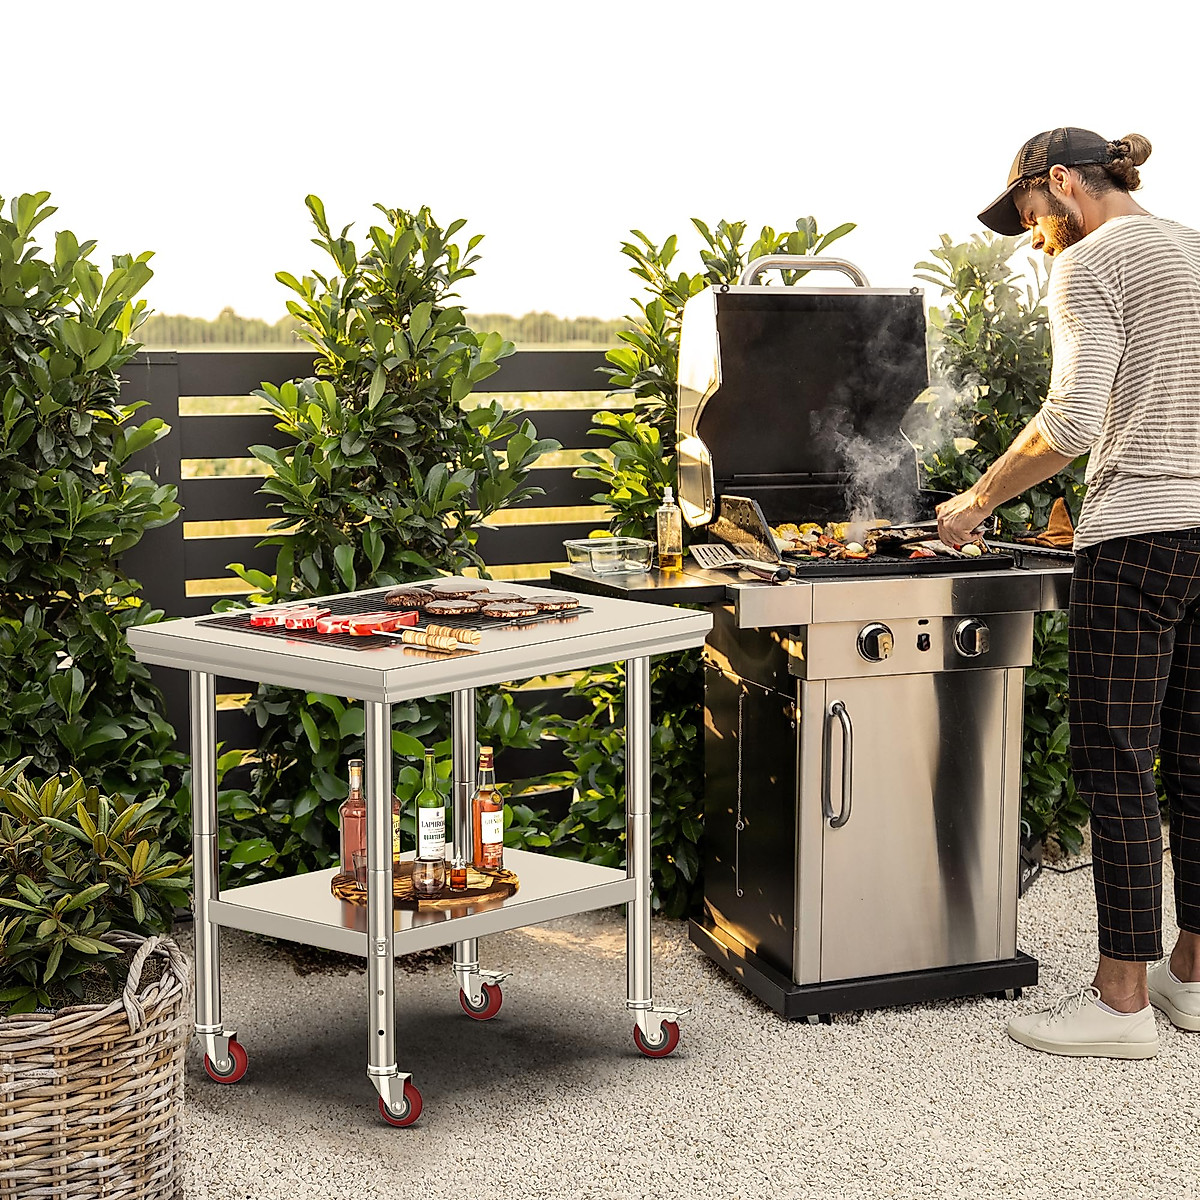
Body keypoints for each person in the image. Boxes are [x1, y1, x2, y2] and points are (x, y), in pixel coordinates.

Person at [937, 127, 1200, 1059]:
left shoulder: (1090, 262)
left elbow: (1074, 419)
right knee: (1195, 758)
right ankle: (1191, 978)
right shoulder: (1193, 248)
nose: (1035, 238)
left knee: (1116, 762)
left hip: (1139, 536)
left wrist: (976, 500)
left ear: (1062, 184)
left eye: (1032, 217)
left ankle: (1120, 1004)